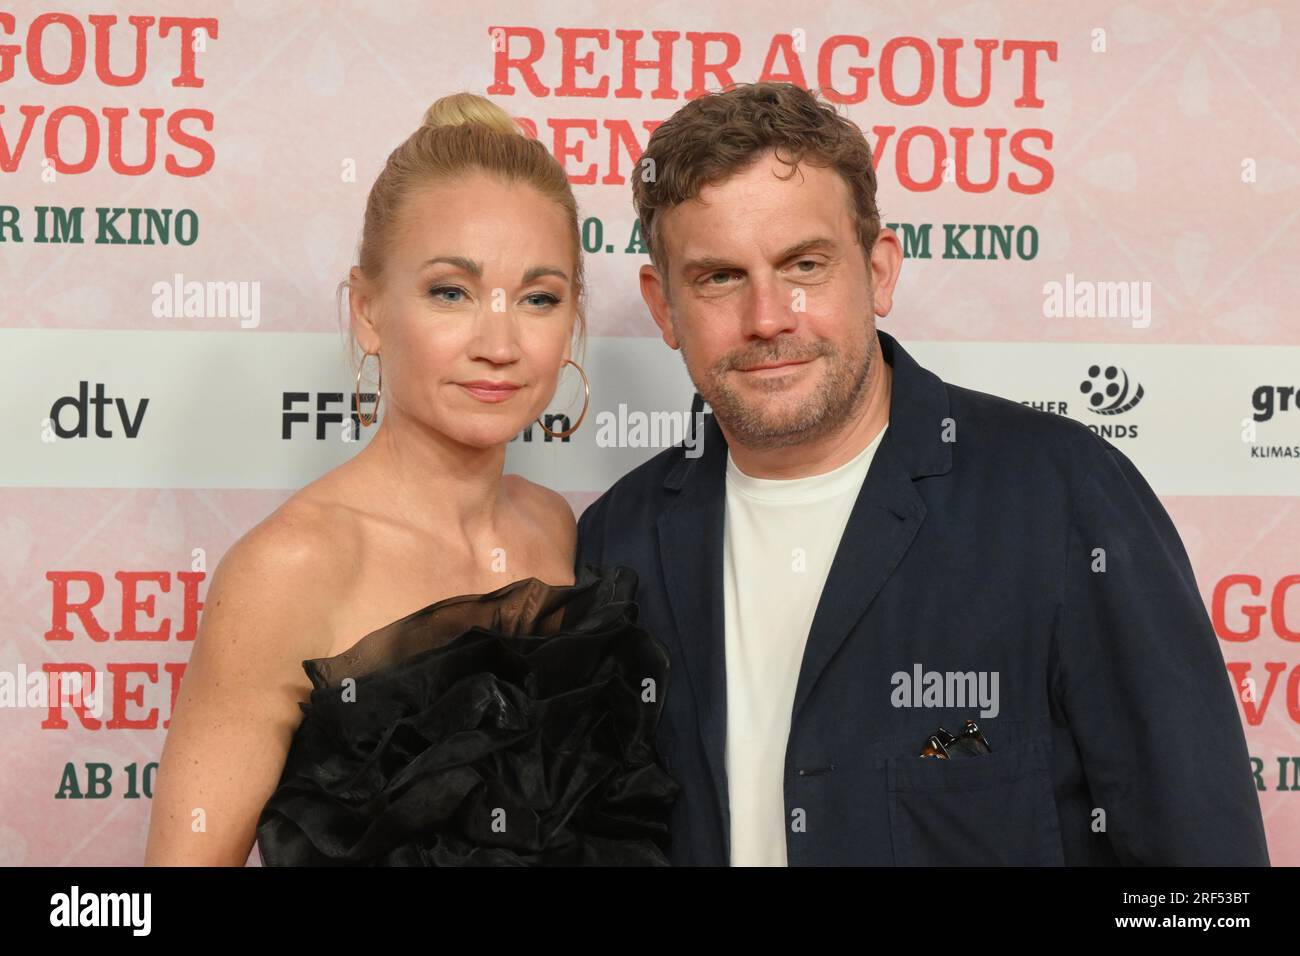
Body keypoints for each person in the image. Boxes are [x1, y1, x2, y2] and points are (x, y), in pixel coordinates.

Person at [576, 81, 1270, 866]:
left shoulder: (1062, 499)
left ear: (878, 271)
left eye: (804, 264)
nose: (768, 317)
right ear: (663, 306)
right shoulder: (619, 542)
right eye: (719, 278)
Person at [145, 93, 677, 866]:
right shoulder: (290, 570)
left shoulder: (554, 526)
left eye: (538, 298)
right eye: (450, 292)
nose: (499, 343)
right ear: (367, 310)